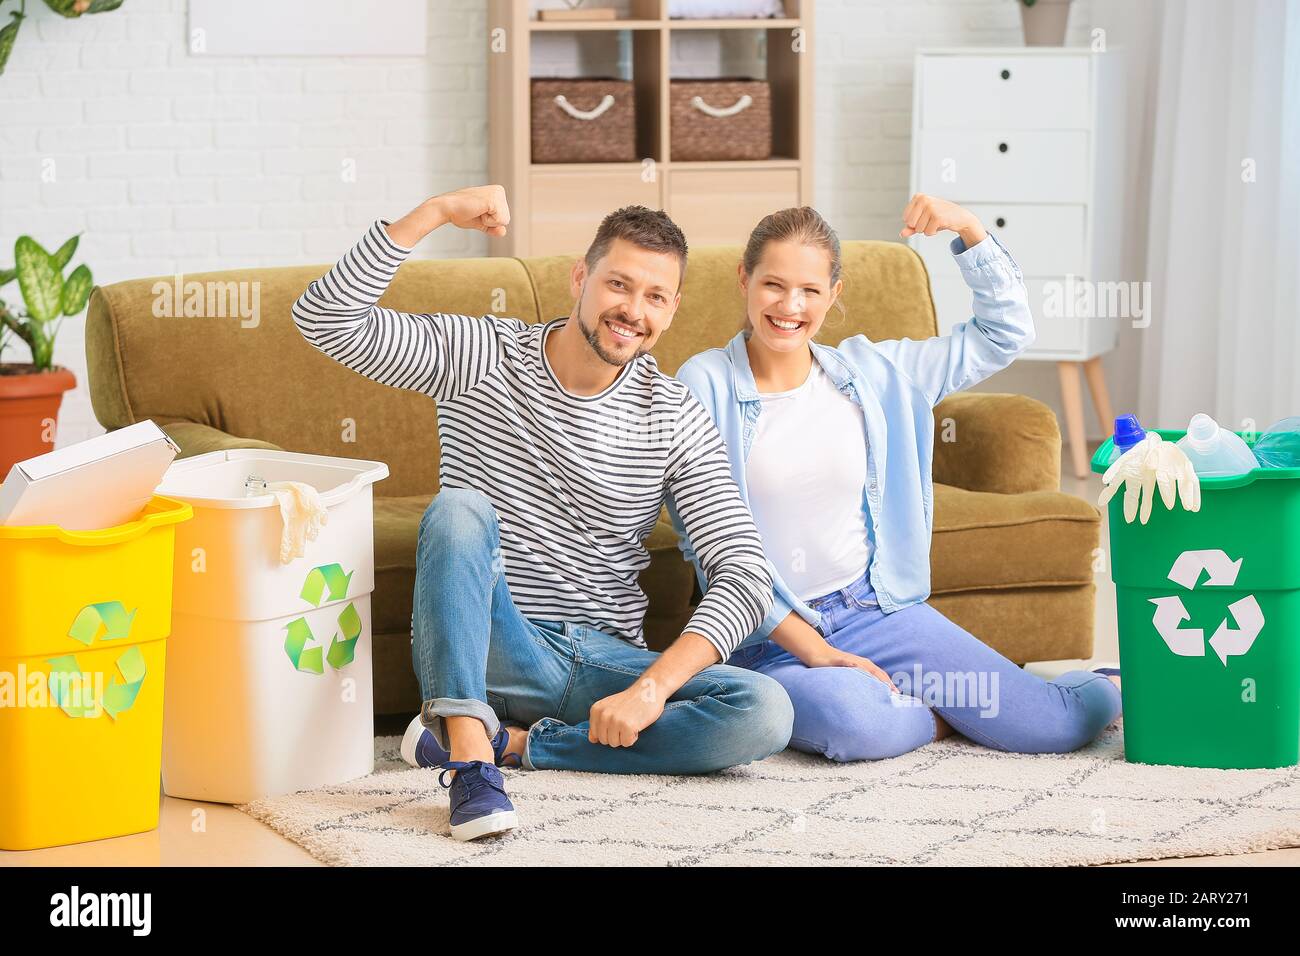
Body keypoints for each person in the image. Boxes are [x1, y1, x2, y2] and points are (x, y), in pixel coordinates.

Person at [292, 185, 793, 842]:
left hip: (600, 663)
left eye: (655, 297)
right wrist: (435, 214)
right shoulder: (480, 354)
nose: (632, 310)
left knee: (763, 710)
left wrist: (650, 690)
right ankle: (470, 762)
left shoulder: (674, 415)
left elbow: (744, 572)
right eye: (619, 284)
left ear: (671, 311)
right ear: (580, 278)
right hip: (495, 639)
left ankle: (518, 746)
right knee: (461, 509)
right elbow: (325, 318)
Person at [669, 193, 1122, 764]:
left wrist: (971, 232)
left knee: (1054, 725)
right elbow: (706, 544)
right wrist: (810, 648)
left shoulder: (878, 373)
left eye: (810, 289)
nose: (790, 305)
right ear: (744, 279)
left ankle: (1115, 683)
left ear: (834, 294)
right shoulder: (704, 383)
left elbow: (1003, 333)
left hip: (876, 613)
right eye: (774, 285)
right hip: (767, 639)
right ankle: (942, 714)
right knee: (855, 724)